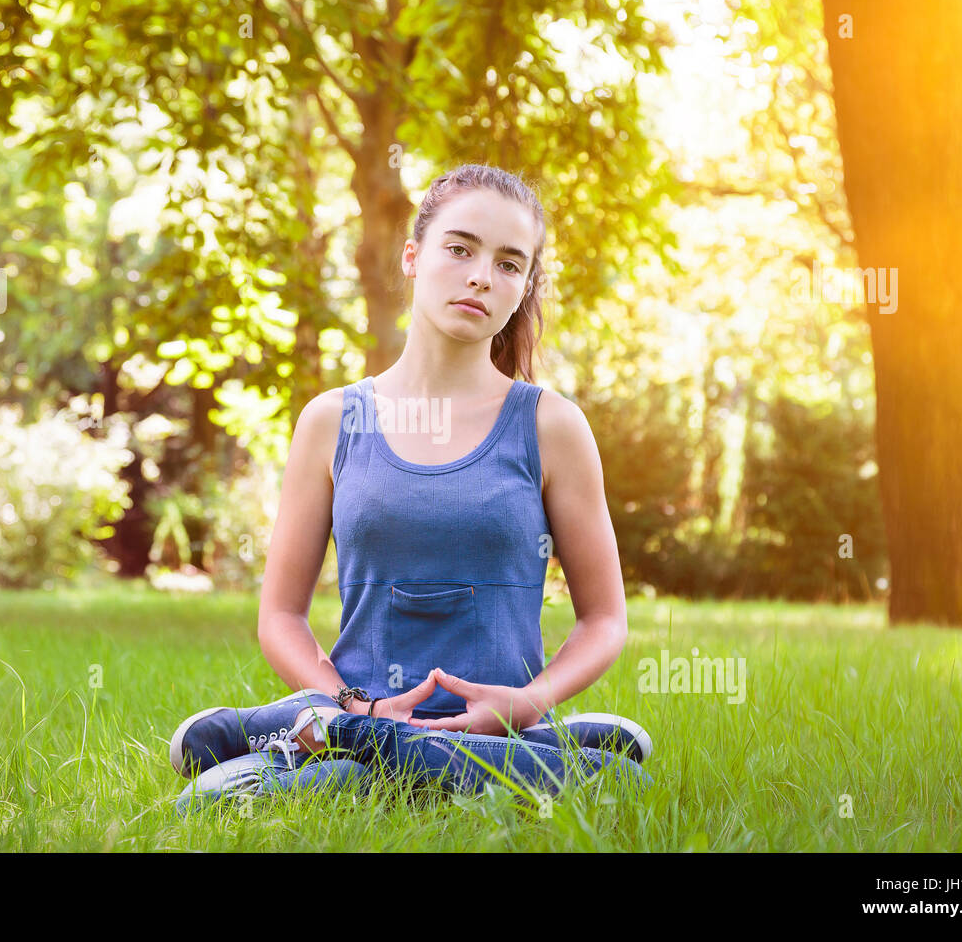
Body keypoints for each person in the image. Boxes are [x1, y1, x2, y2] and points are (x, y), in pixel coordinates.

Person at [169, 164, 654, 810]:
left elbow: (604, 619)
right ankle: (538, 751)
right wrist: (355, 704)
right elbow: (281, 617)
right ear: (413, 257)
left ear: (524, 286)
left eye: (510, 264)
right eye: (460, 249)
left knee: (627, 788)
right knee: (605, 778)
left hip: (495, 722)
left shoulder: (552, 427)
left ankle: (286, 735)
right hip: (365, 713)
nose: (482, 275)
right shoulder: (331, 422)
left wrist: (528, 700)